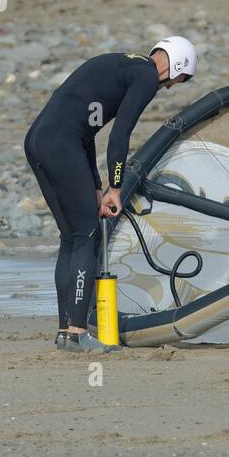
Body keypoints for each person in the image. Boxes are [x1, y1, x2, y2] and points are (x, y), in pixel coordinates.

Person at [24, 37, 197, 352]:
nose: (172, 87)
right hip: (62, 146)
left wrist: (95, 187)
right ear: (177, 65)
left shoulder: (124, 65)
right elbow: (120, 135)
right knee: (87, 237)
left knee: (71, 237)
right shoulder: (146, 76)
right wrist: (116, 188)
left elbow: (86, 133)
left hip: (39, 140)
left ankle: (67, 332)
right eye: (179, 80)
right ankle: (77, 333)